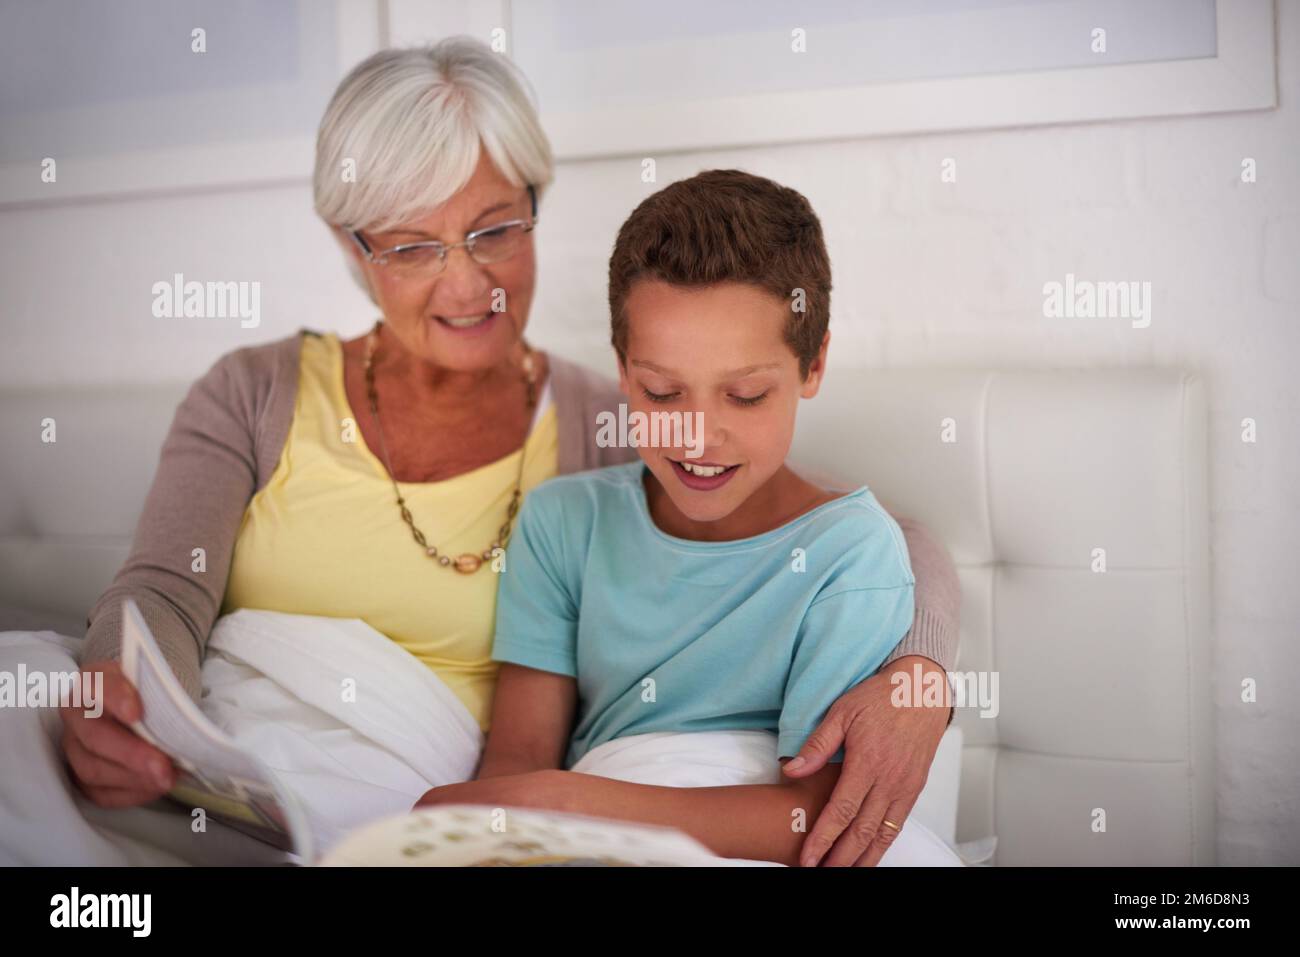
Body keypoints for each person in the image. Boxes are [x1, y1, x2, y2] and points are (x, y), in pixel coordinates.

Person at [64, 38, 959, 867]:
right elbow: (163, 590)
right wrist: (128, 700)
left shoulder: (625, 419)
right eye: (413, 245)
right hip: (244, 763)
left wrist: (920, 678)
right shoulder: (256, 390)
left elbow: (849, 531)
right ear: (353, 247)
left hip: (462, 804)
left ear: (536, 206)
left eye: (495, 229)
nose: (466, 282)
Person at [415, 169, 962, 866]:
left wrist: (576, 803)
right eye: (663, 392)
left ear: (814, 366)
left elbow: (816, 816)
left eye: (745, 394)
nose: (697, 438)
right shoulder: (562, 523)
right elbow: (519, 758)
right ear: (622, 368)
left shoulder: (849, 551)